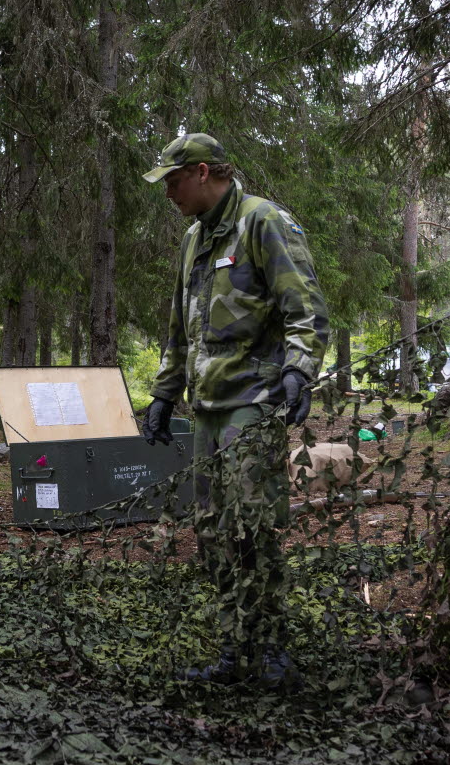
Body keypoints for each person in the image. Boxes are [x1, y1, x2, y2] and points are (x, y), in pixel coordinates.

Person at [139, 133, 328, 688]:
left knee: (252, 527)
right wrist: (164, 393)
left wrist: (299, 370)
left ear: (203, 172)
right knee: (213, 532)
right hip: (207, 410)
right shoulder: (194, 238)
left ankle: (271, 652)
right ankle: (234, 649)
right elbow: (181, 327)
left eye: (174, 181)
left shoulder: (263, 222)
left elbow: (305, 306)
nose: (169, 193)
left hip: (253, 404)